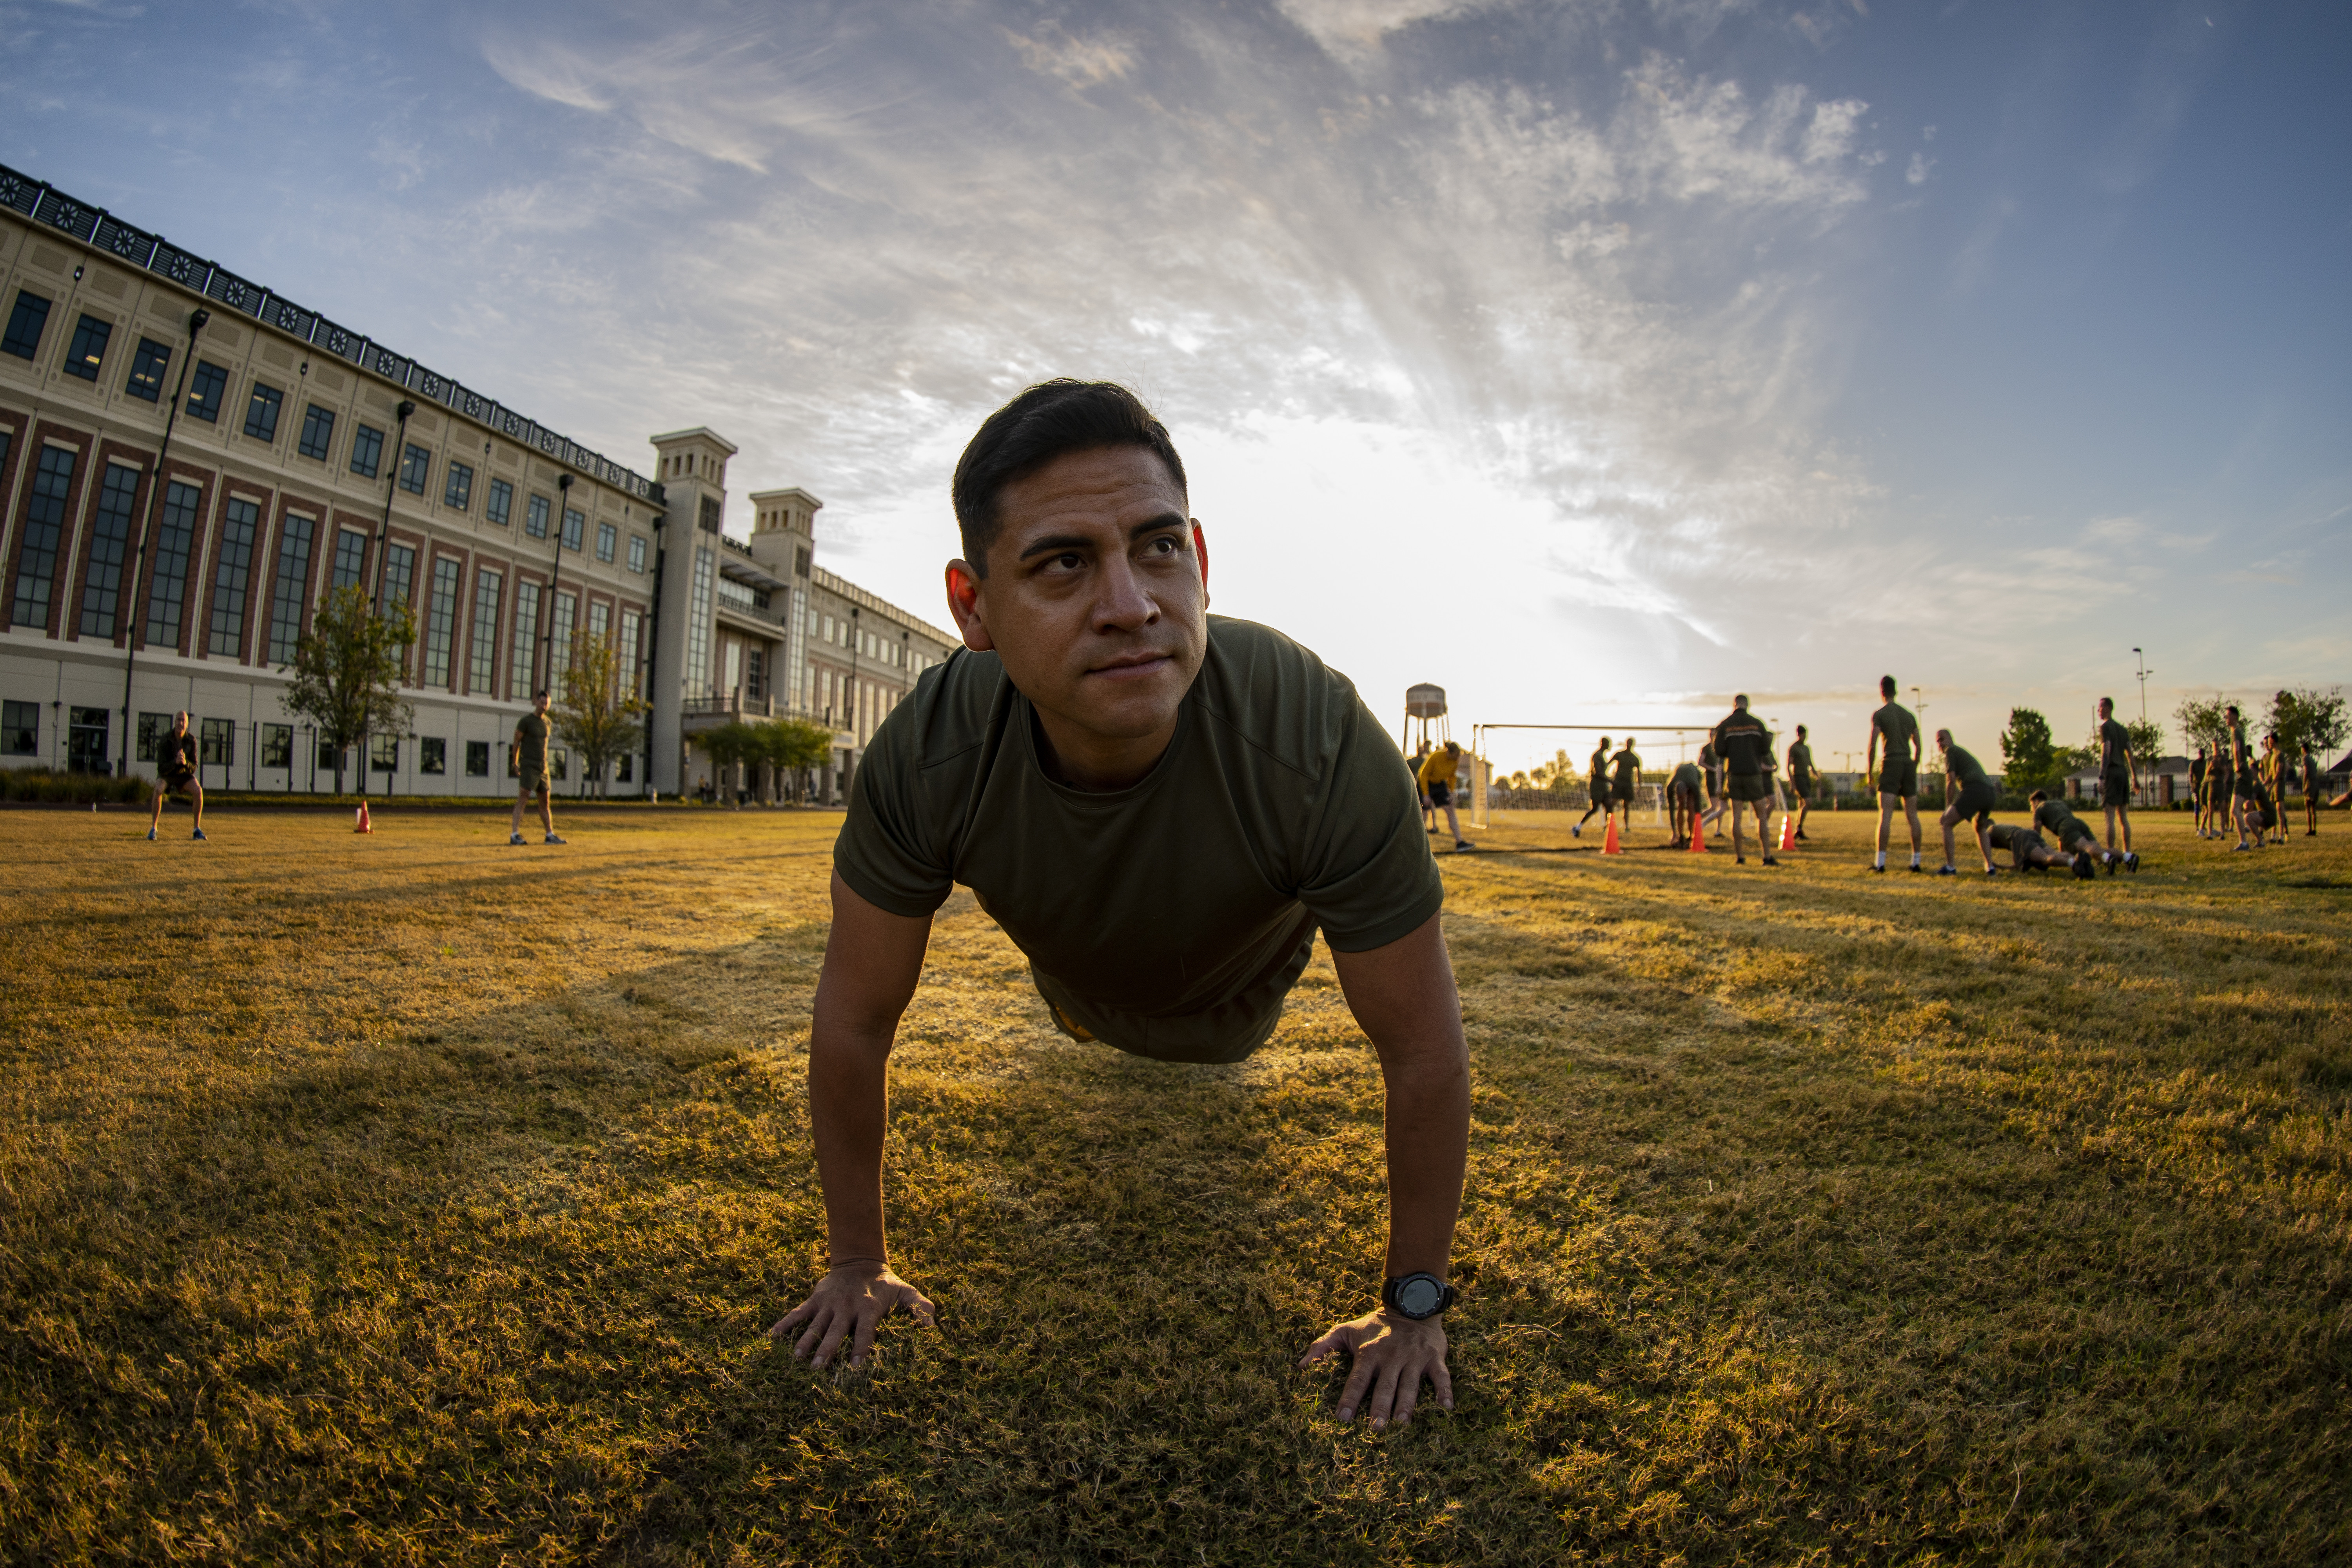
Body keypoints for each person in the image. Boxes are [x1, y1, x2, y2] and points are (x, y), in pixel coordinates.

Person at [770, 381, 1468, 1430]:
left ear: (1198, 557)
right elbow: (857, 1016)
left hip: (1244, 1000)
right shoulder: (931, 753)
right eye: (1062, 562)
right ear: (973, 608)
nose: (1132, 603)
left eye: (1156, 550)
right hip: (1078, 995)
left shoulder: (1313, 732)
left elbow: (1422, 1047)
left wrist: (1414, 1306)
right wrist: (855, 1261)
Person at [1866, 675, 1923, 873]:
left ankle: (1880, 863)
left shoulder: (1880, 715)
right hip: (1907, 763)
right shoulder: (1909, 715)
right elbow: (1918, 745)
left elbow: (1873, 744)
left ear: (1882, 692)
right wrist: (1913, 765)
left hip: (1891, 763)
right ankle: (1916, 862)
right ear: (1896, 691)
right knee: (1913, 816)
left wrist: (1869, 772)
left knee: (1886, 815)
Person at [1711, 696, 1777, 866]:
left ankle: (1740, 858)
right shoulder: (1757, 723)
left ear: (1734, 705)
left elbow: (1718, 750)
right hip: (1754, 774)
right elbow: (1765, 749)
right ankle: (1767, 857)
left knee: (1736, 816)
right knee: (1761, 816)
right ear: (1747, 705)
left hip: (1734, 774)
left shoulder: (1725, 724)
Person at [1933, 728, 2000, 876]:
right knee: (1980, 828)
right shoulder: (1961, 752)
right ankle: (1990, 867)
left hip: (1975, 790)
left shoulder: (1951, 751)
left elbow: (1950, 781)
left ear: (1950, 739)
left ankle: (1951, 867)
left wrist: (1947, 808)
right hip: (1990, 792)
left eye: (1942, 739)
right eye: (1938, 741)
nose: (1940, 744)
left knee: (1946, 823)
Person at [509, 690, 565, 846]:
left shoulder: (548, 722)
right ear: (536, 702)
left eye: (547, 704)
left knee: (545, 801)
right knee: (524, 797)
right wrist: (515, 762)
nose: (544, 706)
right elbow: (516, 743)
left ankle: (550, 835)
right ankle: (515, 835)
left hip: (543, 768)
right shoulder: (526, 722)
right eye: (541, 703)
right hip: (529, 766)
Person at [2030, 789, 2133, 874]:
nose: (2032, 809)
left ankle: (2109, 860)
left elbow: (2037, 827)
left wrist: (2037, 846)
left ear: (2036, 801)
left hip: (2066, 826)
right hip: (2078, 822)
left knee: (2086, 847)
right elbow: (2062, 836)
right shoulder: (2058, 803)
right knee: (2097, 849)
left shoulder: (2039, 808)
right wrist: (2064, 855)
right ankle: (2128, 857)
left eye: (2031, 805)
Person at [145, 710, 206, 842]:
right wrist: (175, 762)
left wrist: (185, 764)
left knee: (198, 791)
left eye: (184, 721)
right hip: (167, 774)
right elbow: (161, 768)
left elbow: (194, 767)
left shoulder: (192, 740)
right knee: (158, 790)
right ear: (175, 722)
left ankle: (197, 830)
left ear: (187, 724)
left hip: (183, 775)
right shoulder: (165, 740)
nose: (181, 723)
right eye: (179, 720)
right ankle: (153, 829)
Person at [2096, 697, 2135, 857]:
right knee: (2124, 818)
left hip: (2112, 773)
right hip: (2123, 773)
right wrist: (2135, 778)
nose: (2098, 711)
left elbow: (2106, 753)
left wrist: (2102, 777)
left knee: (2110, 818)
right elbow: (2131, 755)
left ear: (2106, 708)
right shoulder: (2122, 729)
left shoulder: (2105, 728)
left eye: (2099, 708)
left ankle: (2110, 853)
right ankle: (2127, 853)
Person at [1989, 821, 2097, 879]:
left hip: (2021, 837)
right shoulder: (2003, 827)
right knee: (2054, 854)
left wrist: (1993, 866)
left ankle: (2075, 863)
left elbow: (2017, 864)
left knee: (2045, 859)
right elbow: (2017, 864)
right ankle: (2079, 861)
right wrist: (2000, 866)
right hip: (2030, 833)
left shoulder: (1988, 831)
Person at [1419, 740, 1472, 851]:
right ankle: (1420, 847)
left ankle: (1460, 843)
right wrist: (1426, 794)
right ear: (1449, 752)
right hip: (1426, 783)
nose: (1458, 758)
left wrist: (1451, 792)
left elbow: (1452, 777)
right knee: (1424, 812)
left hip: (1440, 784)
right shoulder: (1436, 757)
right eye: (1456, 755)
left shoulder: (1455, 760)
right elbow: (1423, 774)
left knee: (1451, 810)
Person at [2225, 704, 2260, 851]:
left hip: (2242, 774)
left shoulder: (2236, 732)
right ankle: (2253, 840)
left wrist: (2239, 763)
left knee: (2235, 810)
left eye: (2227, 716)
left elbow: (2238, 748)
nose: (2226, 719)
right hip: (2242, 774)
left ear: (2234, 716)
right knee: (2239, 809)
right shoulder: (2236, 732)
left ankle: (2244, 843)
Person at [1570, 737, 1611, 838]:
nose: (1610, 745)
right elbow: (1599, 773)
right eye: (1608, 743)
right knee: (1595, 809)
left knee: (1609, 807)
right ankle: (1577, 828)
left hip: (1604, 786)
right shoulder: (1597, 756)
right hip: (1597, 786)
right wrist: (1612, 781)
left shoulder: (1603, 756)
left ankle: (1609, 831)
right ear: (1603, 744)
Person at [1786, 724, 1818, 841]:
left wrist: (1816, 776)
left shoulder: (1807, 748)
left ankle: (1798, 830)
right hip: (1798, 777)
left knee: (1801, 805)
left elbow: (1811, 763)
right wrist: (1792, 783)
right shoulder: (1793, 748)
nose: (1805, 737)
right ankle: (1799, 828)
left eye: (1806, 735)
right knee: (1808, 802)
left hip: (1806, 777)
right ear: (1799, 735)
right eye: (1803, 735)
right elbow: (1789, 766)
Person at [1666, 757, 1704, 846]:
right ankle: (1680, 835)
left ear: (1687, 790)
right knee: (1681, 806)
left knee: (1691, 805)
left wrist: (1697, 834)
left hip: (1695, 774)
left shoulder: (1694, 785)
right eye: (1678, 797)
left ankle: (1691, 835)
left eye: (1682, 797)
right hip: (1680, 772)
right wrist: (1674, 833)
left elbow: (1698, 810)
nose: (1680, 799)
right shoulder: (1671, 786)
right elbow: (1671, 811)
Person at [1609, 736, 1642, 836]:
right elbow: (1609, 763)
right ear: (1626, 744)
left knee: (1627, 805)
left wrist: (1639, 786)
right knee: (1612, 804)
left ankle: (1626, 826)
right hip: (1618, 783)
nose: (1629, 745)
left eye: (1631, 743)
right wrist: (1606, 777)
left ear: (1633, 745)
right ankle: (1609, 825)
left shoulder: (1635, 758)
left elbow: (1639, 773)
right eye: (1628, 743)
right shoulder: (1619, 754)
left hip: (1628, 784)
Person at [2303, 741, 2323, 837]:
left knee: (2308, 807)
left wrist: (2304, 785)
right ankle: (2315, 829)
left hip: (2310, 783)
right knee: (2314, 809)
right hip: (2316, 784)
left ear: (2304, 749)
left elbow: (2306, 771)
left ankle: (2310, 829)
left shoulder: (2306, 758)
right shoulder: (2312, 758)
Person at [2189, 745, 2210, 838]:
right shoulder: (2194, 764)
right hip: (2197, 787)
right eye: (2201, 754)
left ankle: (2203, 825)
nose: (2203, 756)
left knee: (2205, 807)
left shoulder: (2206, 763)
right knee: (2197, 806)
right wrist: (2192, 787)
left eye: (2204, 754)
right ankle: (2197, 826)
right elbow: (2190, 776)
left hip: (2205, 787)